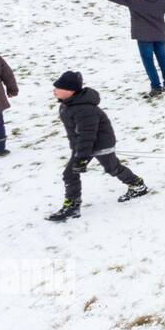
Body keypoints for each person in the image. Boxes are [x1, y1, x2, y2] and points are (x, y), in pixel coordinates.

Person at [46, 71, 148, 221]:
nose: (54, 91)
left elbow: (87, 134)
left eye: (57, 88)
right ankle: (73, 206)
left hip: (99, 144)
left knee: (112, 168)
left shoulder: (83, 109)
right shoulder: (67, 105)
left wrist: (81, 157)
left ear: (70, 91)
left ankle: (137, 185)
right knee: (71, 174)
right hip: (84, 146)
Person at [83, 0, 165, 94]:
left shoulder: (133, 0)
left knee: (148, 61)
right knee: (162, 59)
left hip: (143, 37)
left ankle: (156, 87)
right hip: (159, 35)